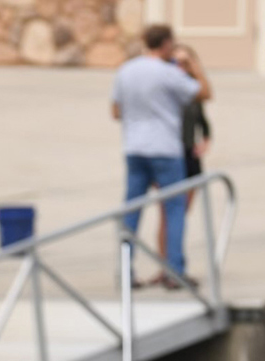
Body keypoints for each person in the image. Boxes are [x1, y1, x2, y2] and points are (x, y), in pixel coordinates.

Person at [111, 24, 210, 287]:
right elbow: (204, 93)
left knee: (132, 211)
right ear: (167, 43)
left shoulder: (126, 71)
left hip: (134, 148)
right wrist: (192, 65)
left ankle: (124, 272)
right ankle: (174, 272)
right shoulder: (169, 73)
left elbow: (116, 112)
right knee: (174, 210)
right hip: (165, 150)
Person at [154, 44, 211, 287]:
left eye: (185, 62)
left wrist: (206, 139)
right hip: (167, 155)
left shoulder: (192, 90)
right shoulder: (167, 89)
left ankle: (173, 265)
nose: (180, 67)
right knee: (167, 215)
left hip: (190, 157)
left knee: (181, 215)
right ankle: (167, 267)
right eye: (175, 62)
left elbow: (202, 118)